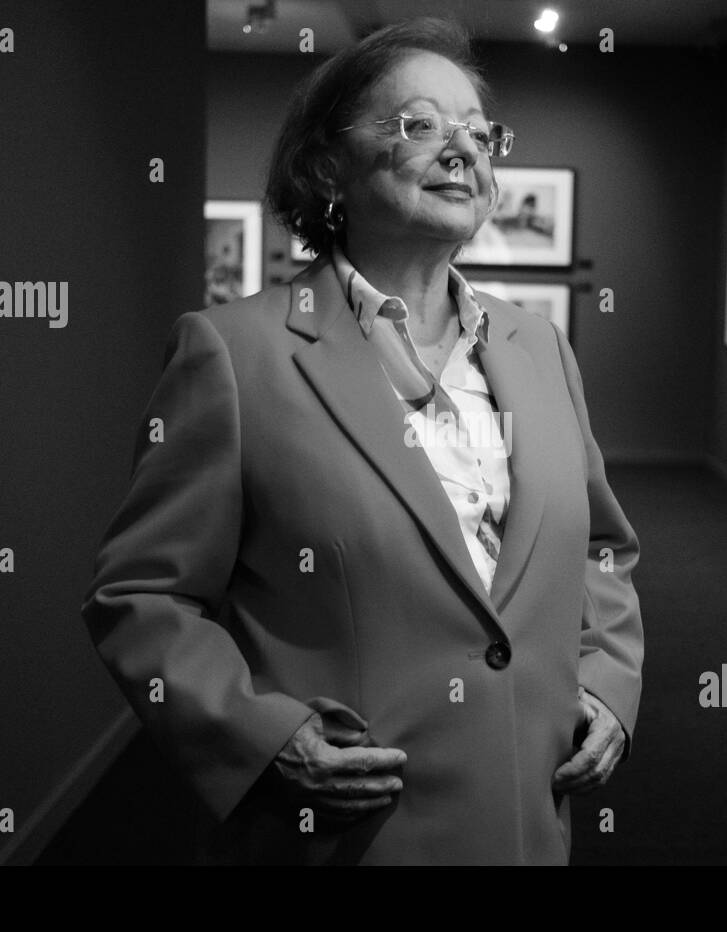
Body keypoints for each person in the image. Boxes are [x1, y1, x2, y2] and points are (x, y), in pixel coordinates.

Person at [79, 17, 644, 865]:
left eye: (480, 133)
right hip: (354, 840)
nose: (464, 151)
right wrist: (265, 739)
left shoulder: (541, 348)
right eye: (419, 124)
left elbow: (601, 549)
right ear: (326, 166)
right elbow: (142, 595)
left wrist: (605, 683)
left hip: (531, 821)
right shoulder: (234, 354)